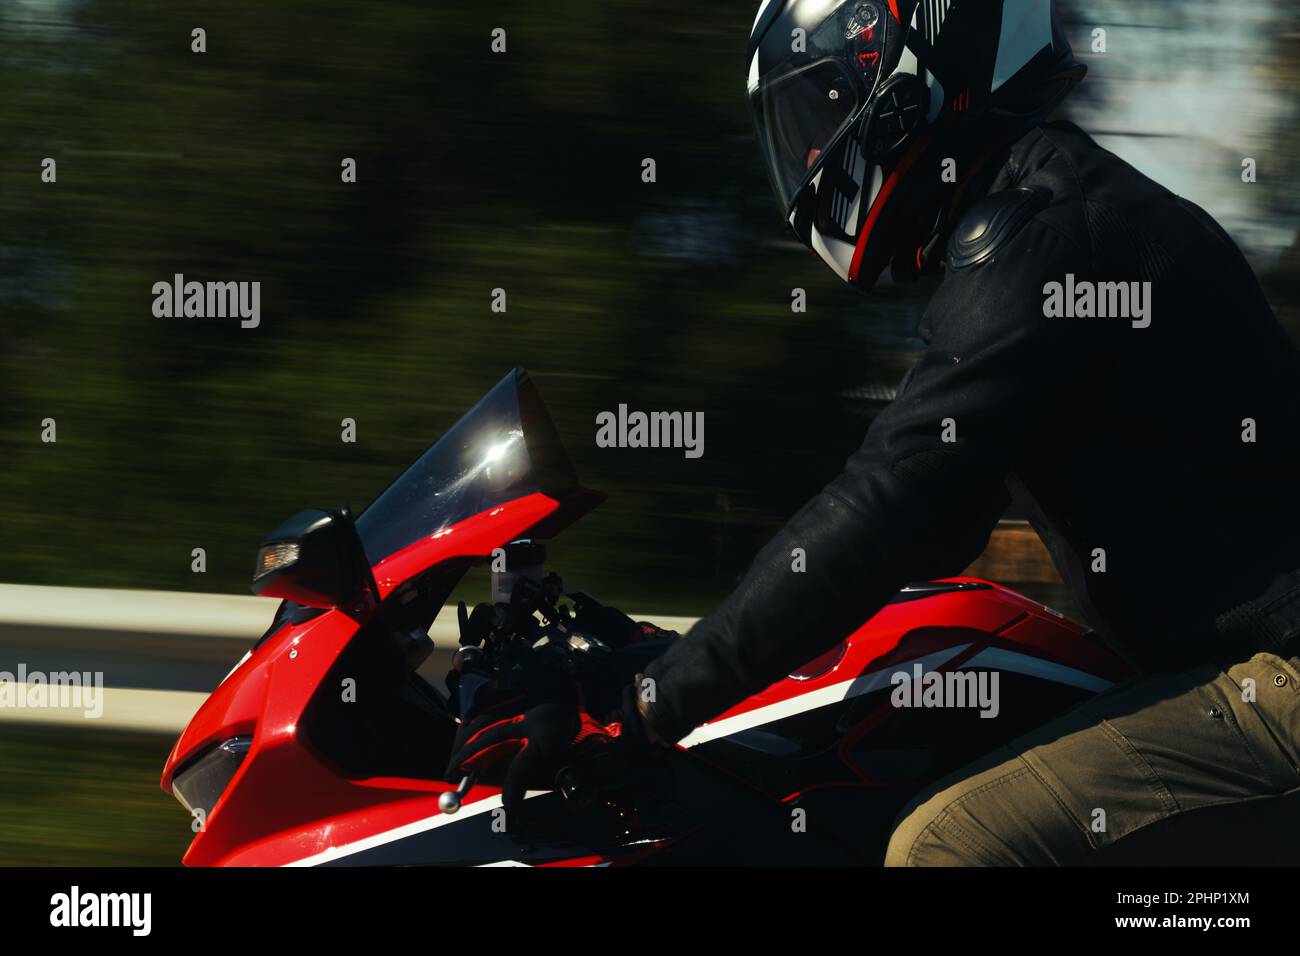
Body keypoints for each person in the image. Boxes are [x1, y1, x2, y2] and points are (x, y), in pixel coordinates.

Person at [447, 0, 1300, 864]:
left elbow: (891, 504)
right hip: (1225, 670)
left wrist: (652, 708)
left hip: (1283, 680)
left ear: (906, 82)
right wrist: (658, 658)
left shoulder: (1045, 237)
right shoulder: (1061, 207)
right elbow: (922, 525)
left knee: (943, 847)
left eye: (820, 114)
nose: (814, 155)